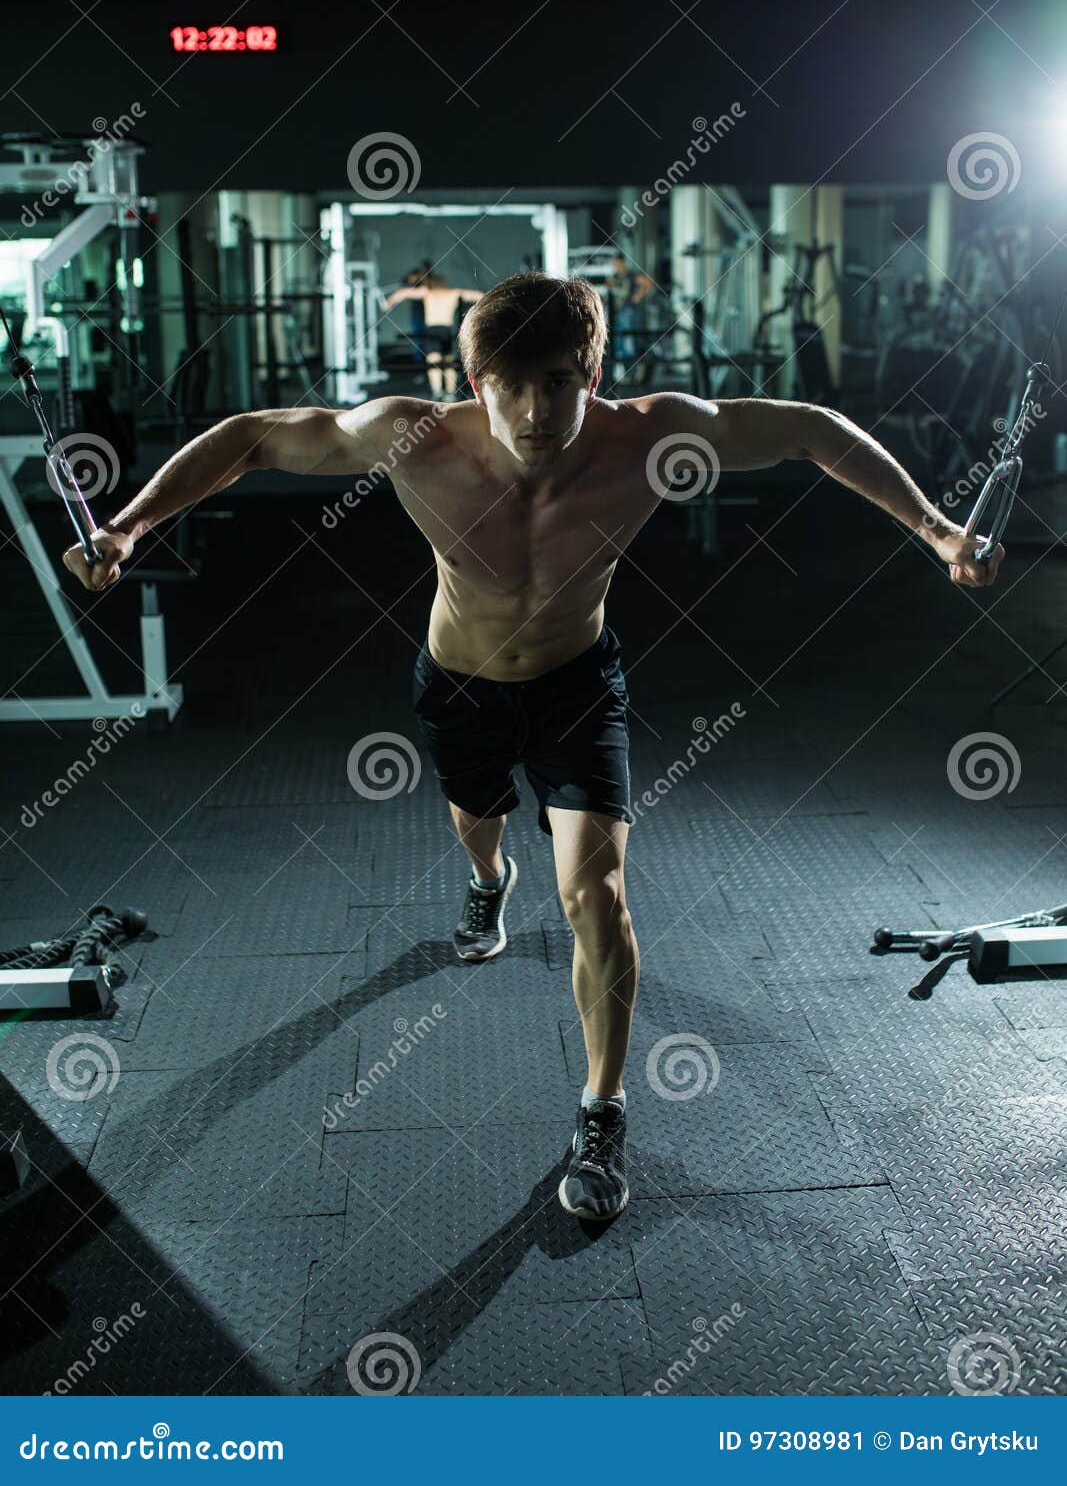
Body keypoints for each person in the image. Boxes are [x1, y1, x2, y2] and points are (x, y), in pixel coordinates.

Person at [62, 271, 1004, 1222]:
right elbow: (255, 437)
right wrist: (132, 525)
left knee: (594, 892)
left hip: (577, 687)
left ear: (591, 374)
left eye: (556, 381)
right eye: (506, 384)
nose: (532, 408)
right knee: (479, 824)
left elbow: (811, 427)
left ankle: (602, 1111)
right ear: (472, 383)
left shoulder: (649, 436)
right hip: (459, 682)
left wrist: (934, 530)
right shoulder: (413, 439)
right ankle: (485, 881)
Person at [382, 266, 484, 402]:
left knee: (434, 362)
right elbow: (479, 295)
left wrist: (387, 304)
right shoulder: (454, 293)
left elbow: (401, 293)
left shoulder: (427, 292)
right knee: (448, 363)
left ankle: (438, 392)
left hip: (433, 332)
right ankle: (450, 391)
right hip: (447, 332)